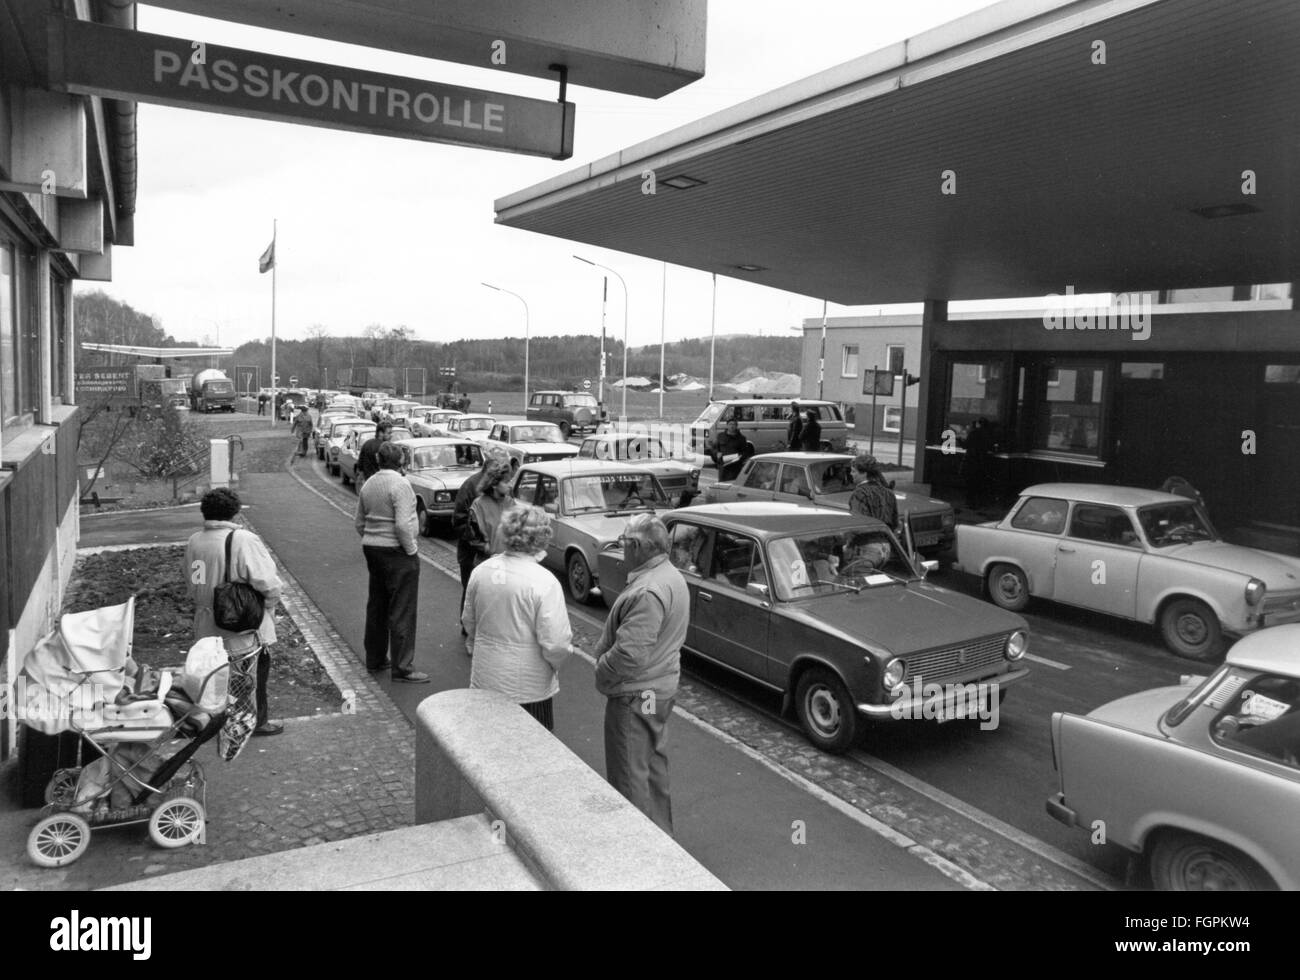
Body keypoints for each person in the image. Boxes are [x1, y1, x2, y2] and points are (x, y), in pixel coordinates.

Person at [593, 513, 689, 834]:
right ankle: (662, 838)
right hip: (657, 692)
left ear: (635, 546)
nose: (621, 548)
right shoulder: (670, 576)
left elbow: (629, 655)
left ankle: (638, 850)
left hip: (636, 695)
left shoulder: (647, 591)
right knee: (652, 767)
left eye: (623, 542)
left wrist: (602, 672)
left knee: (629, 773)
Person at [462, 505, 577, 731]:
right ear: (541, 538)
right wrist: (555, 666)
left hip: (486, 677)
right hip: (529, 687)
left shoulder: (481, 571)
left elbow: (469, 620)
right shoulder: (544, 581)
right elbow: (557, 643)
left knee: (487, 744)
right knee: (532, 750)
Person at [185, 488, 284, 736]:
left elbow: (193, 581)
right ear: (235, 513)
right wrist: (269, 608)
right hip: (239, 624)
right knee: (249, 677)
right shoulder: (243, 540)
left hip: (205, 623)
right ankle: (253, 723)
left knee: (216, 677)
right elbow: (267, 583)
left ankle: (217, 721)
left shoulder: (194, 541)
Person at [354, 442, 427, 682]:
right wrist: (411, 549)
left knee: (377, 604)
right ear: (402, 462)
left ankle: (375, 658)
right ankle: (403, 667)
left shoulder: (369, 484)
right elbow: (402, 525)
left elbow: (359, 523)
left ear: (379, 459)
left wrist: (372, 537)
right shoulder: (401, 484)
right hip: (397, 551)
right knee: (402, 609)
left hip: (372, 548)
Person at [452, 455, 492, 637]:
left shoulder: (500, 490)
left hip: (492, 553)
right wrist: (480, 544)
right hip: (471, 553)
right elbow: (459, 521)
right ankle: (467, 627)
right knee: (470, 589)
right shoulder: (470, 486)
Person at [467, 458, 514, 566]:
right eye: (506, 482)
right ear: (494, 484)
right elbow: (472, 535)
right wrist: (485, 548)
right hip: (486, 563)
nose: (510, 485)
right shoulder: (478, 505)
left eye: (510, 481)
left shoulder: (510, 503)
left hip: (508, 562)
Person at [848, 453, 899, 532]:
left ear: (864, 473)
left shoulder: (859, 494)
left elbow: (857, 524)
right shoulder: (889, 493)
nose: (850, 474)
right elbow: (895, 523)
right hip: (886, 540)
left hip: (866, 541)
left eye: (854, 471)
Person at [963, 417, 995, 507]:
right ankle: (980, 503)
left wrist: (960, 440)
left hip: (971, 461)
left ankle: (970, 503)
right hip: (983, 462)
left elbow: (966, 445)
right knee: (980, 484)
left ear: (978, 424)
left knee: (970, 484)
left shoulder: (973, 433)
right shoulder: (988, 434)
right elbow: (991, 447)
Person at [357, 420, 393, 485]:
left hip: (368, 483)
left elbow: (360, 465)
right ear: (380, 433)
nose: (391, 435)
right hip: (382, 484)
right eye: (389, 433)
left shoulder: (366, 444)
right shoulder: (386, 447)